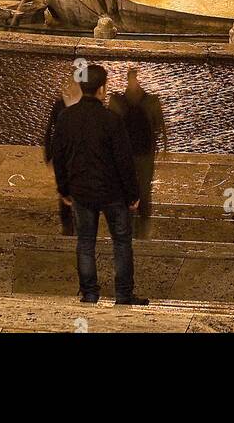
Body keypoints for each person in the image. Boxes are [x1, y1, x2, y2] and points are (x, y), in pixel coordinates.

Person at [51, 63, 147, 307]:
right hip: (112, 192)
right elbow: (124, 161)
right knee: (122, 242)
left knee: (85, 242)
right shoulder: (112, 120)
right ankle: (123, 295)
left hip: (81, 192)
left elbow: (59, 157)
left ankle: (89, 294)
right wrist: (133, 194)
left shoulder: (66, 118)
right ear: (102, 89)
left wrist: (64, 189)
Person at [109, 66, 167, 238]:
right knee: (143, 187)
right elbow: (158, 127)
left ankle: (132, 220)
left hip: (128, 153)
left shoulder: (117, 102)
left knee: (129, 186)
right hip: (143, 152)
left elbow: (110, 128)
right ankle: (143, 221)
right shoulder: (151, 102)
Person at [44, 73, 84, 234]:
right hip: (71, 155)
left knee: (68, 188)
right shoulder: (66, 105)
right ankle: (70, 224)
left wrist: (50, 154)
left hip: (70, 155)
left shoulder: (62, 105)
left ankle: (69, 224)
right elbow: (51, 131)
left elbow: (51, 131)